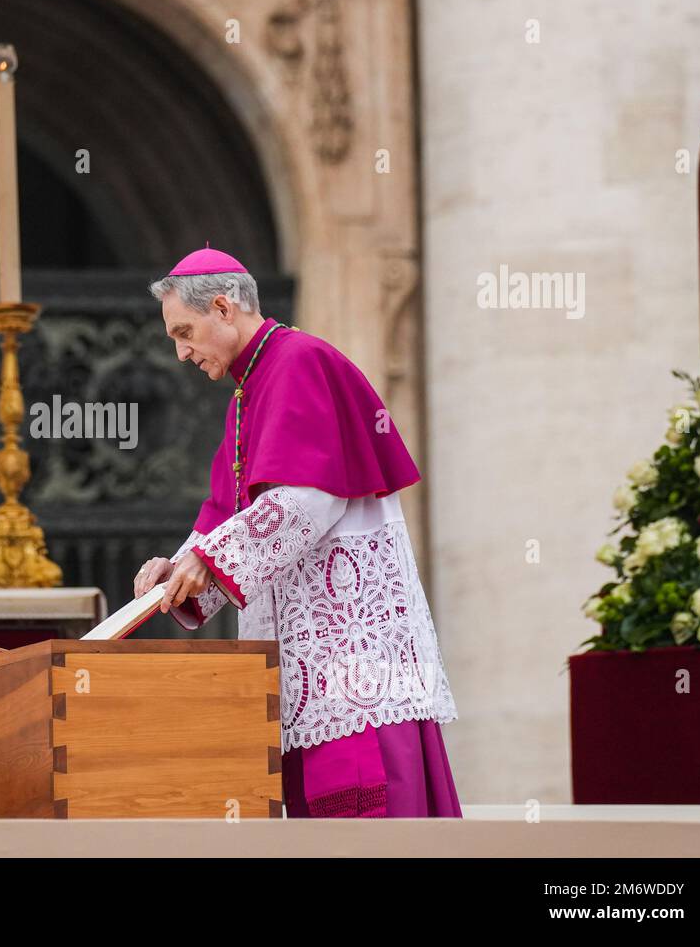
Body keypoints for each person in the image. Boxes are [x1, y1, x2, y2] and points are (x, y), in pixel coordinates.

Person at [134, 246, 461, 818]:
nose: (181, 352)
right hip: (303, 669)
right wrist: (179, 567)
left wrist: (209, 560)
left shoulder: (300, 362)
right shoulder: (248, 391)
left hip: (351, 664)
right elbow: (226, 513)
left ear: (223, 307)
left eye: (184, 332)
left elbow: (306, 501)